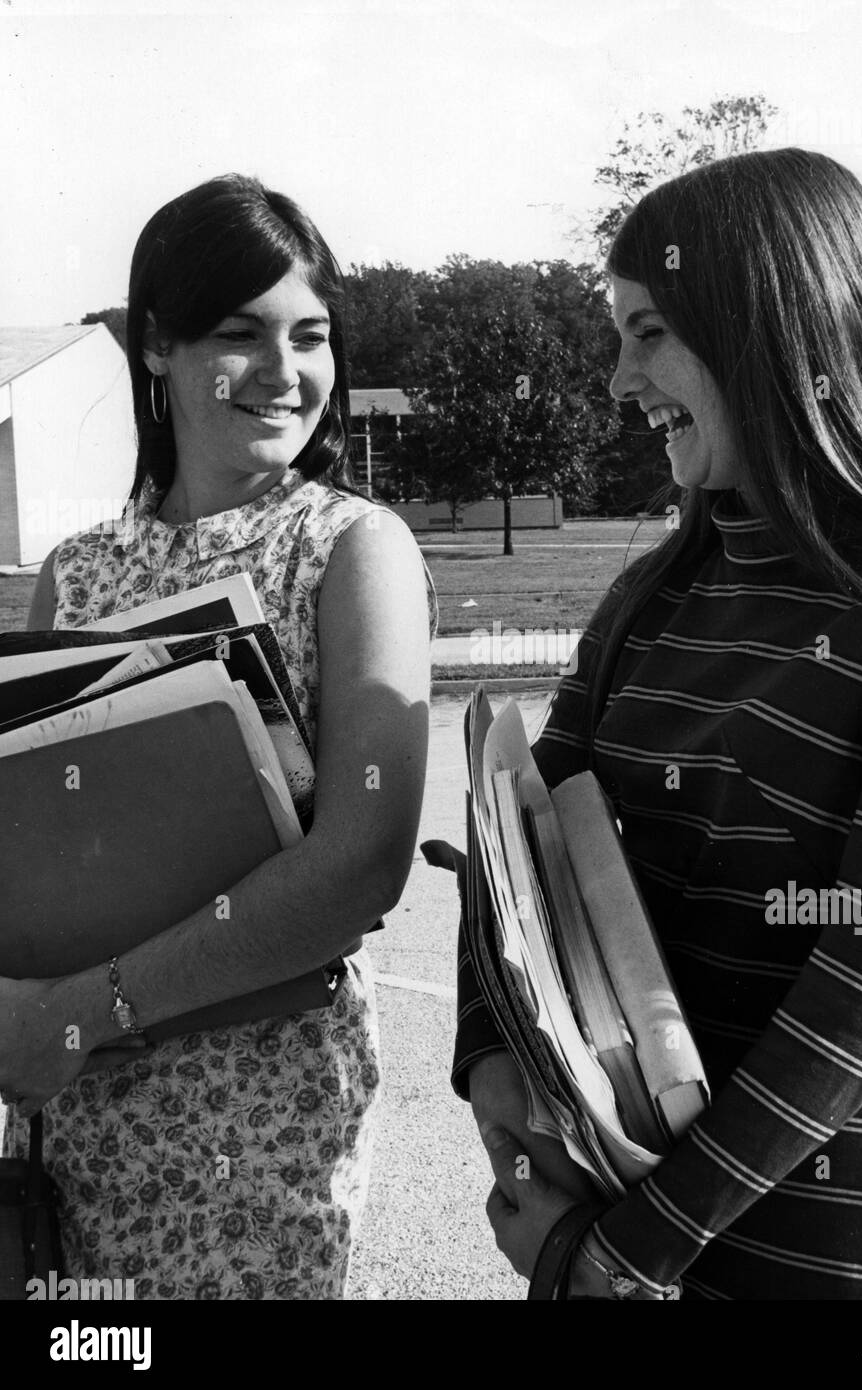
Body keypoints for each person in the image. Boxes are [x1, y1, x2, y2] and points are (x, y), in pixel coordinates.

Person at [454, 148, 862, 1300]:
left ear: (781, 334)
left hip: (836, 1269)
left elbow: (860, 1000)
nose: (619, 382)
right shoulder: (656, 594)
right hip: (625, 1215)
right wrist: (489, 1055)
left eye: (651, 332)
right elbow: (512, 843)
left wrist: (623, 1262)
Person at [0, 174, 436, 1299]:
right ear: (157, 345)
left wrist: (82, 1009)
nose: (287, 371)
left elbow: (362, 865)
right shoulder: (76, 572)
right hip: (80, 1108)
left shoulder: (353, 548)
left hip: (261, 1115)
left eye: (311, 335)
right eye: (240, 335)